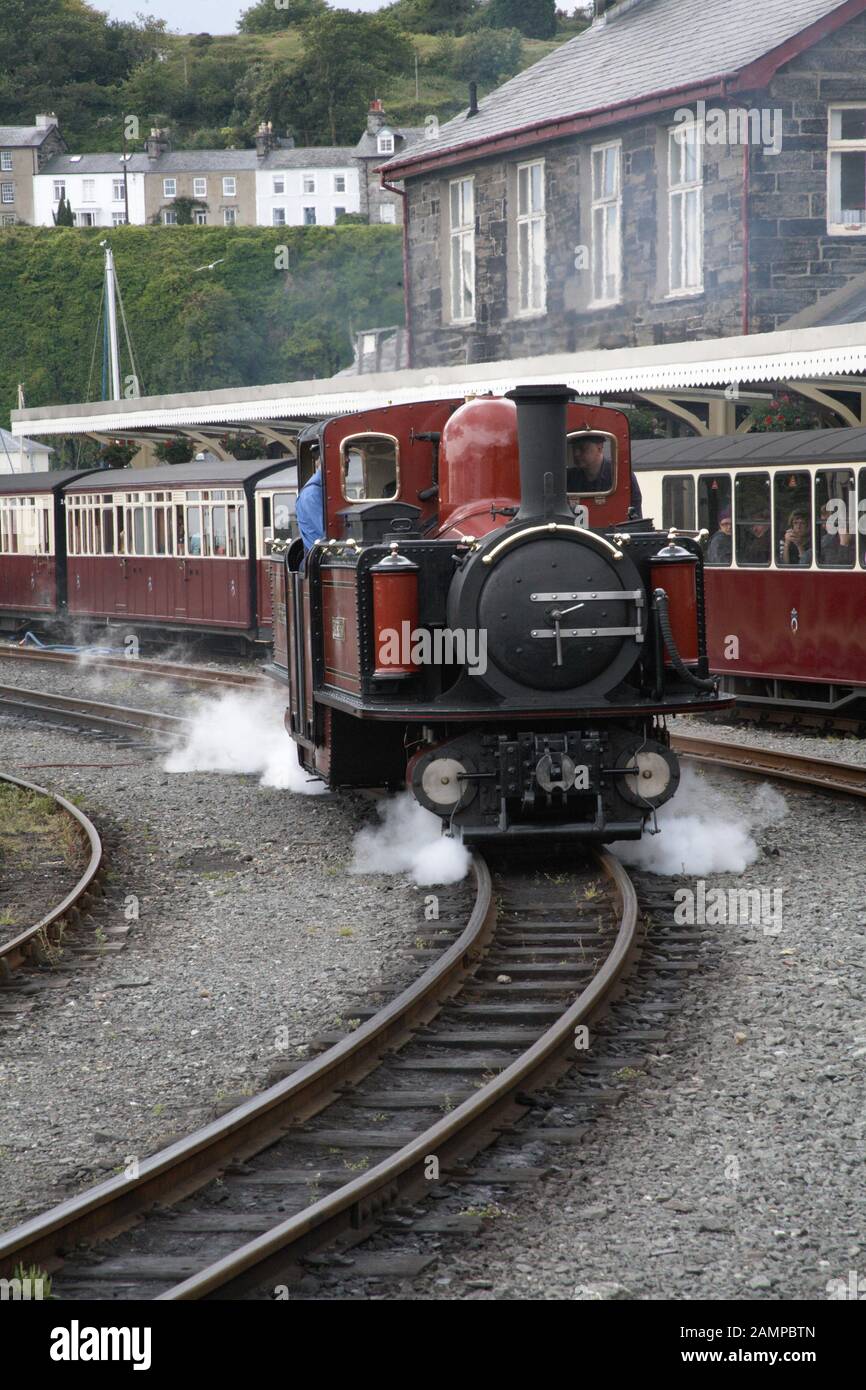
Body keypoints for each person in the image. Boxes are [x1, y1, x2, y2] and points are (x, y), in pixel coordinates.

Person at [567, 434, 643, 512]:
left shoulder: (621, 475)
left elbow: (634, 513)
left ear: (599, 447)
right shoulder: (568, 478)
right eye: (574, 448)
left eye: (582, 448)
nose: (576, 453)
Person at [296, 445, 325, 553]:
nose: (347, 460)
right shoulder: (312, 493)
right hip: (319, 558)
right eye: (343, 455)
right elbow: (325, 532)